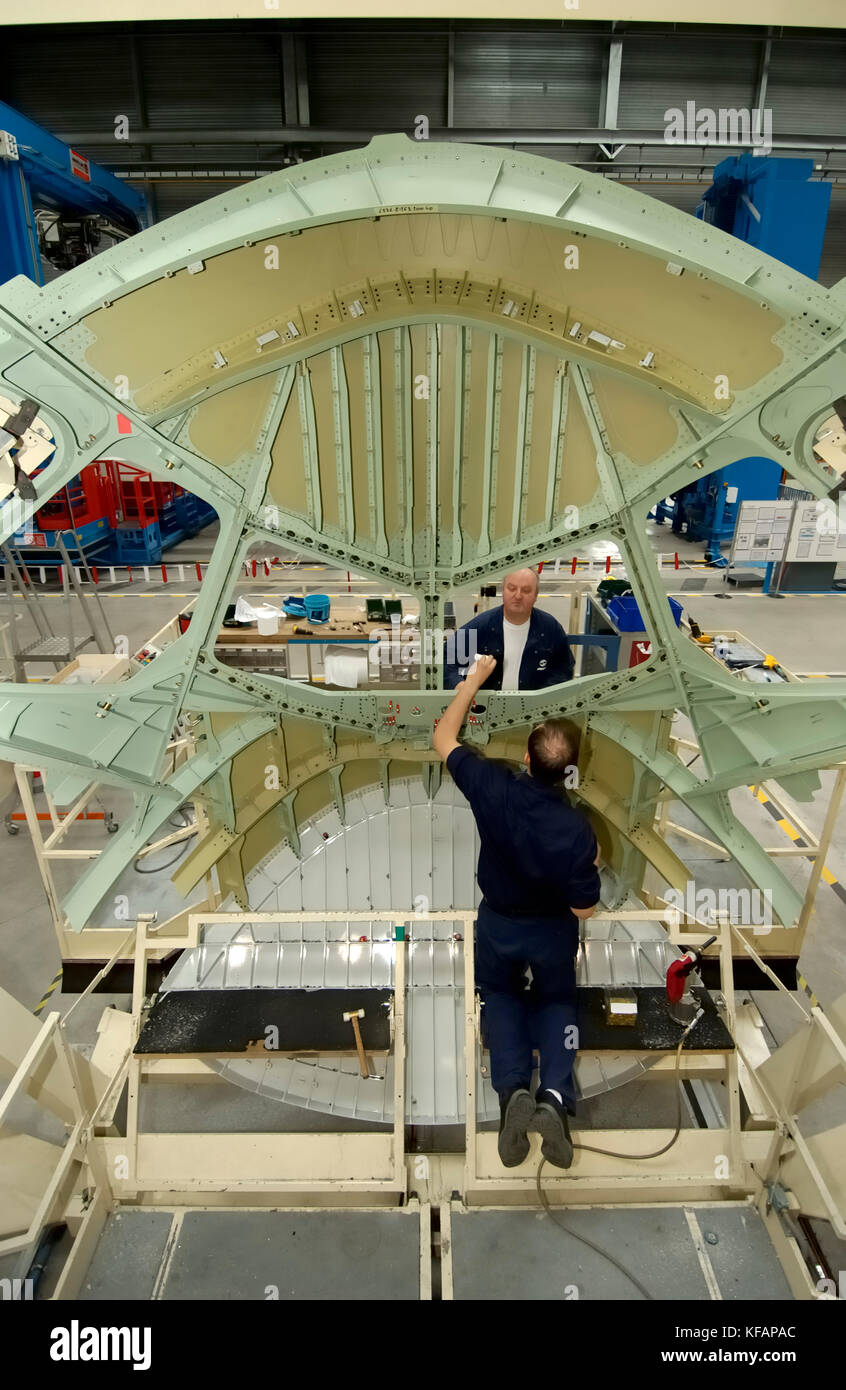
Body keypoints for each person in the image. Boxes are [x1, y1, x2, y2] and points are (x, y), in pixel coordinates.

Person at [432, 653, 600, 1170]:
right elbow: (584, 908)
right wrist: (588, 860)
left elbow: (443, 739)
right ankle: (552, 1096)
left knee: (501, 995)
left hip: (500, 923)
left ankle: (511, 1096)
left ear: (527, 759)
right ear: (569, 771)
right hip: (552, 931)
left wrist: (473, 682)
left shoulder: (494, 789)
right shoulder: (576, 831)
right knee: (555, 1002)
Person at [443, 568, 574, 692]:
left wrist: (543, 698)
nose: (518, 596)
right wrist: (461, 687)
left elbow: (564, 668)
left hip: (533, 712)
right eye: (511, 588)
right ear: (503, 591)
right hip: (486, 710)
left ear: (536, 595)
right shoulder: (481, 626)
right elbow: (446, 659)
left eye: (526, 590)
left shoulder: (550, 628)